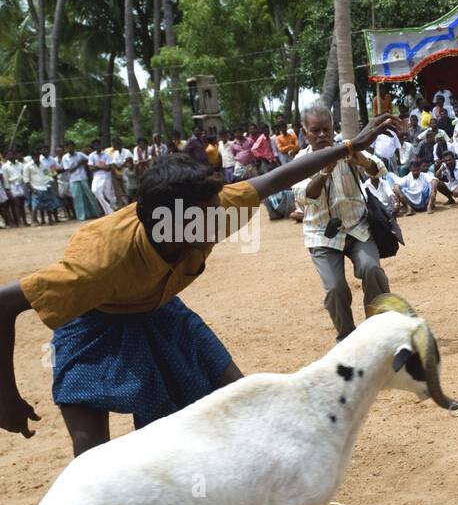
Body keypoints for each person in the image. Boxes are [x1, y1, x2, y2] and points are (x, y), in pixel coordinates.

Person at [0, 111, 400, 451]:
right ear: (169, 224)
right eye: (203, 218)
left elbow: (279, 178)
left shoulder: (207, 210)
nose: (218, 222)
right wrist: (6, 397)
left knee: (240, 399)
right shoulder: (101, 263)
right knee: (91, 458)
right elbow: (4, 302)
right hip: (92, 321)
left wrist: (351, 147)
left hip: (158, 308)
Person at [294, 103, 394, 341]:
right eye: (315, 130)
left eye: (326, 130)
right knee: (335, 289)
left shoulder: (346, 149)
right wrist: (324, 172)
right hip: (321, 234)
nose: (322, 136)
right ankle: (347, 339)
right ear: (304, 130)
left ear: (333, 127)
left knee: (372, 269)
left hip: (358, 227)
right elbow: (304, 196)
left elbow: (378, 170)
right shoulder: (300, 161)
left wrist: (362, 161)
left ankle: (378, 329)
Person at [87, 141, 117, 216]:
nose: (97, 147)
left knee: (108, 194)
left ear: (101, 145)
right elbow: (91, 168)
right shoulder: (91, 155)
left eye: (98, 145)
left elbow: (109, 168)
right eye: (95, 146)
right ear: (93, 147)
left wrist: (97, 166)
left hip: (107, 176)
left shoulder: (106, 155)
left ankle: (113, 206)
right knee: (95, 190)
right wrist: (102, 166)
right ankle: (108, 210)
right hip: (97, 176)